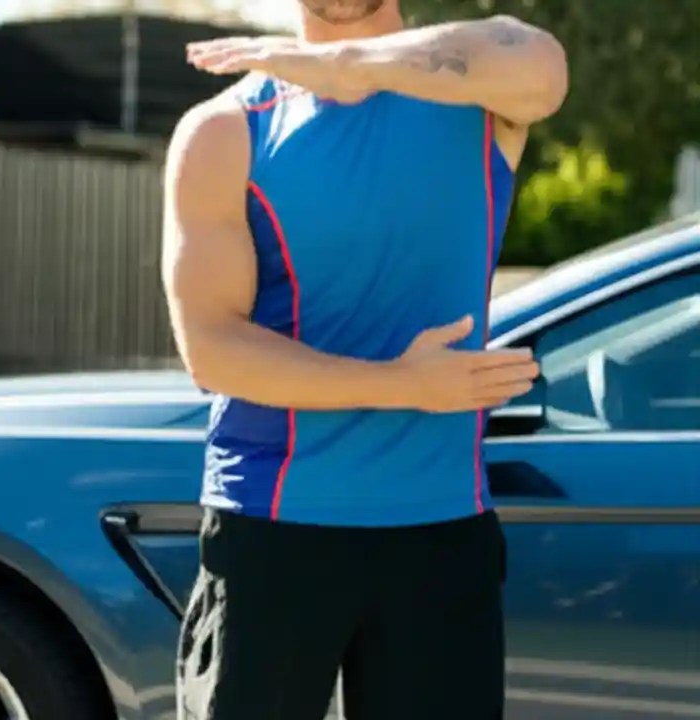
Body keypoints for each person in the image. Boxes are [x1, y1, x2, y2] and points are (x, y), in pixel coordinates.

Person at [162, 1, 568, 718]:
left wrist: (343, 66)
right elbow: (212, 350)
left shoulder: (481, 95)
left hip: (440, 535)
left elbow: (544, 70)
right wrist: (401, 385)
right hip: (273, 531)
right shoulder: (225, 130)